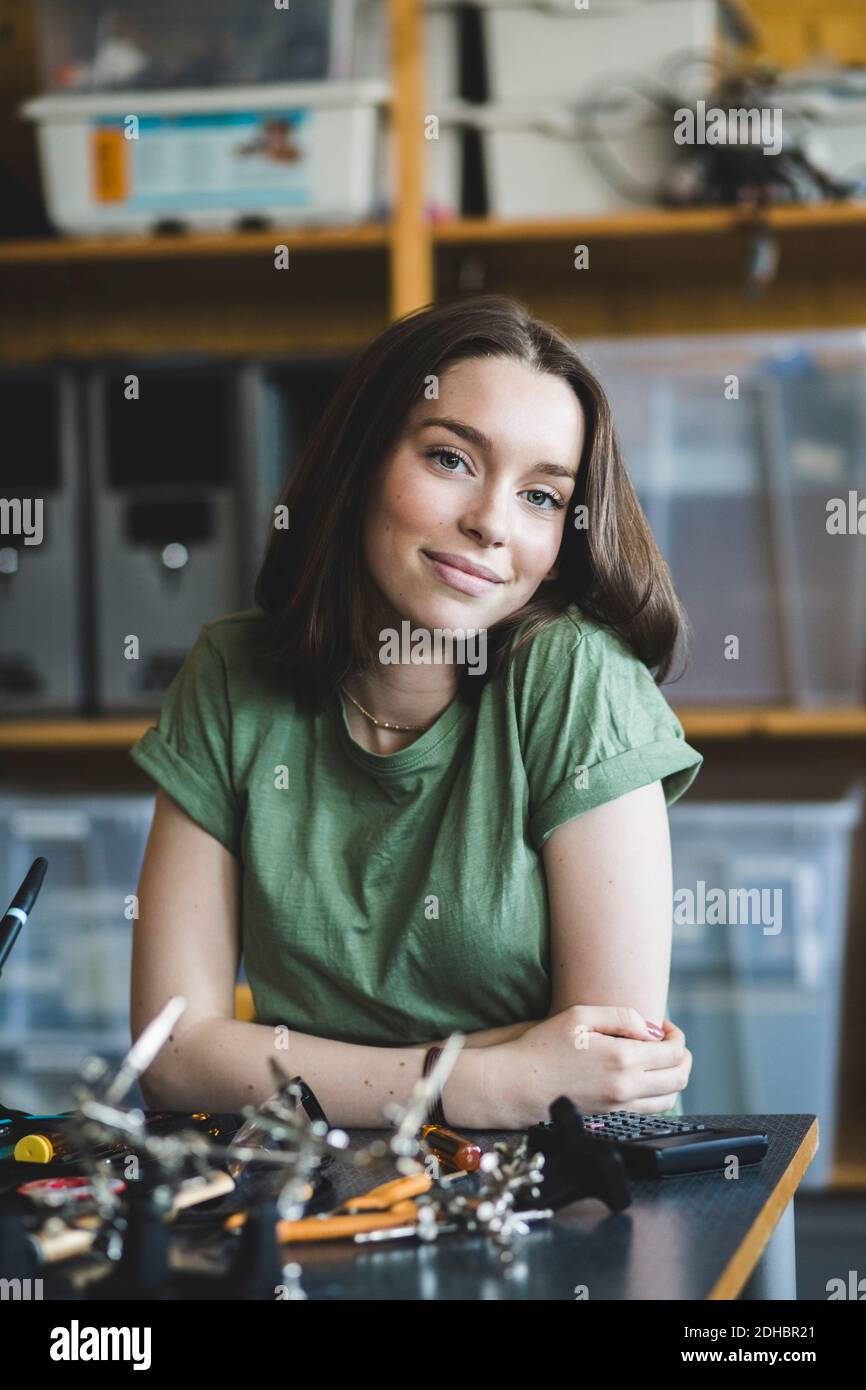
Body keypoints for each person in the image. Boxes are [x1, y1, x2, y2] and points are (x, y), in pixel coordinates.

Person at [130, 294, 702, 1129]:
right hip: (315, 1193)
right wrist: (483, 1079)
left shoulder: (580, 682)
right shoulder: (230, 677)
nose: (491, 524)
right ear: (361, 460)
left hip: (563, 1201)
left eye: (542, 497)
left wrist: (275, 1062)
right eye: (451, 459)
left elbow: (604, 1079)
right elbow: (172, 1057)